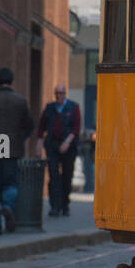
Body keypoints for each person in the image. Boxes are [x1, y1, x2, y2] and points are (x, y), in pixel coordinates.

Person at [0, 68, 34, 236]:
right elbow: (29, 125)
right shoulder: (20, 100)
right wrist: (19, 138)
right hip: (12, 149)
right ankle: (8, 206)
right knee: (11, 184)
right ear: (11, 81)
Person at [39, 86, 81, 218]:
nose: (58, 96)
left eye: (61, 93)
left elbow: (76, 128)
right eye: (56, 93)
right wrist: (39, 145)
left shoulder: (73, 107)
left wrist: (67, 142)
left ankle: (64, 205)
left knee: (67, 176)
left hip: (69, 146)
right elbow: (41, 127)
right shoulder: (50, 108)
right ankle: (54, 206)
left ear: (65, 94)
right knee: (53, 175)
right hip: (52, 145)